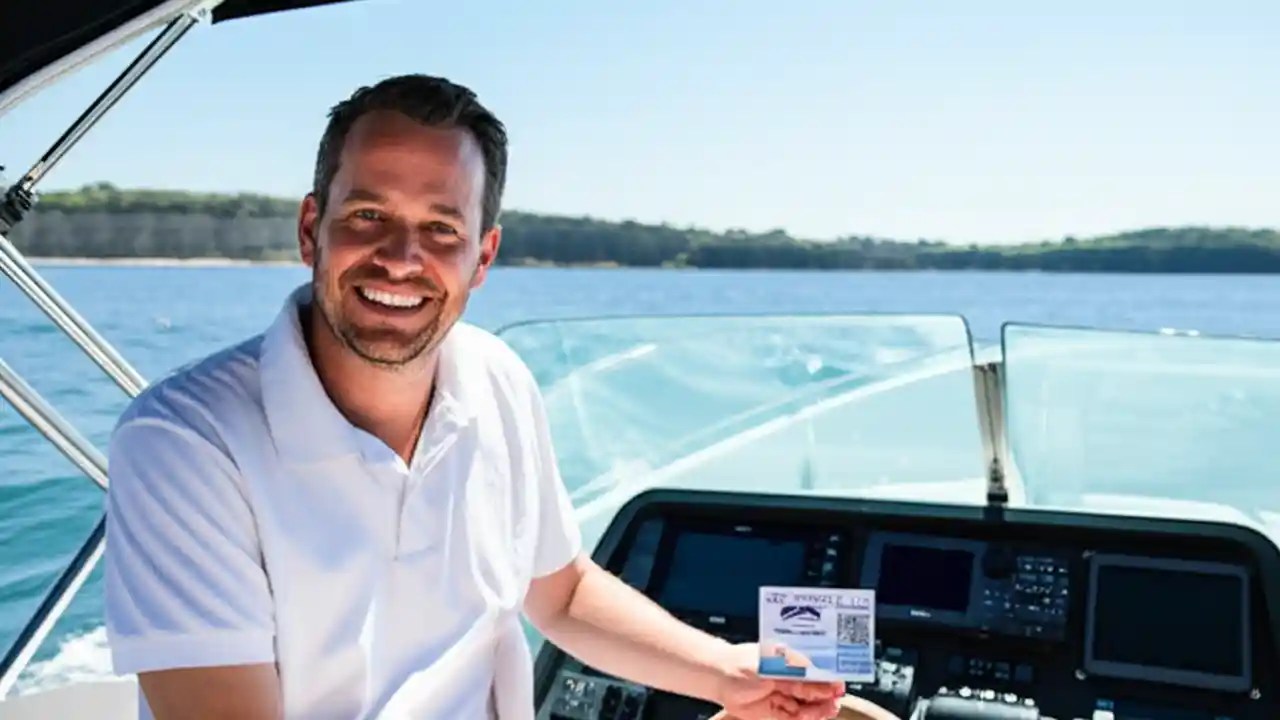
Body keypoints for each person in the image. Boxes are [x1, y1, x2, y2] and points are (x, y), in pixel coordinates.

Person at [102, 74, 846, 720]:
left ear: (482, 256)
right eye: (369, 217)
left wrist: (729, 671)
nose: (401, 259)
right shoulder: (184, 444)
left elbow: (559, 594)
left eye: (440, 228)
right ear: (310, 229)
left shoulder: (496, 379)